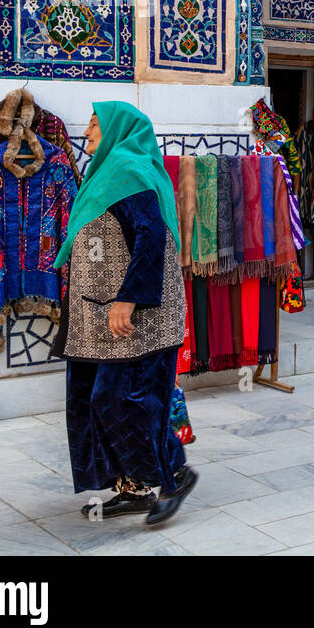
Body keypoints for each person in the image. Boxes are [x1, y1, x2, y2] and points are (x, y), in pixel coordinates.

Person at [54, 101, 197, 526]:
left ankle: (174, 475)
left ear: (120, 127)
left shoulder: (128, 171)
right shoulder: (107, 172)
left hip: (137, 321)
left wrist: (128, 298)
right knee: (92, 400)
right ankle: (132, 488)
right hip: (100, 319)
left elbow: (150, 236)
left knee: (124, 400)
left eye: (96, 124)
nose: (87, 134)